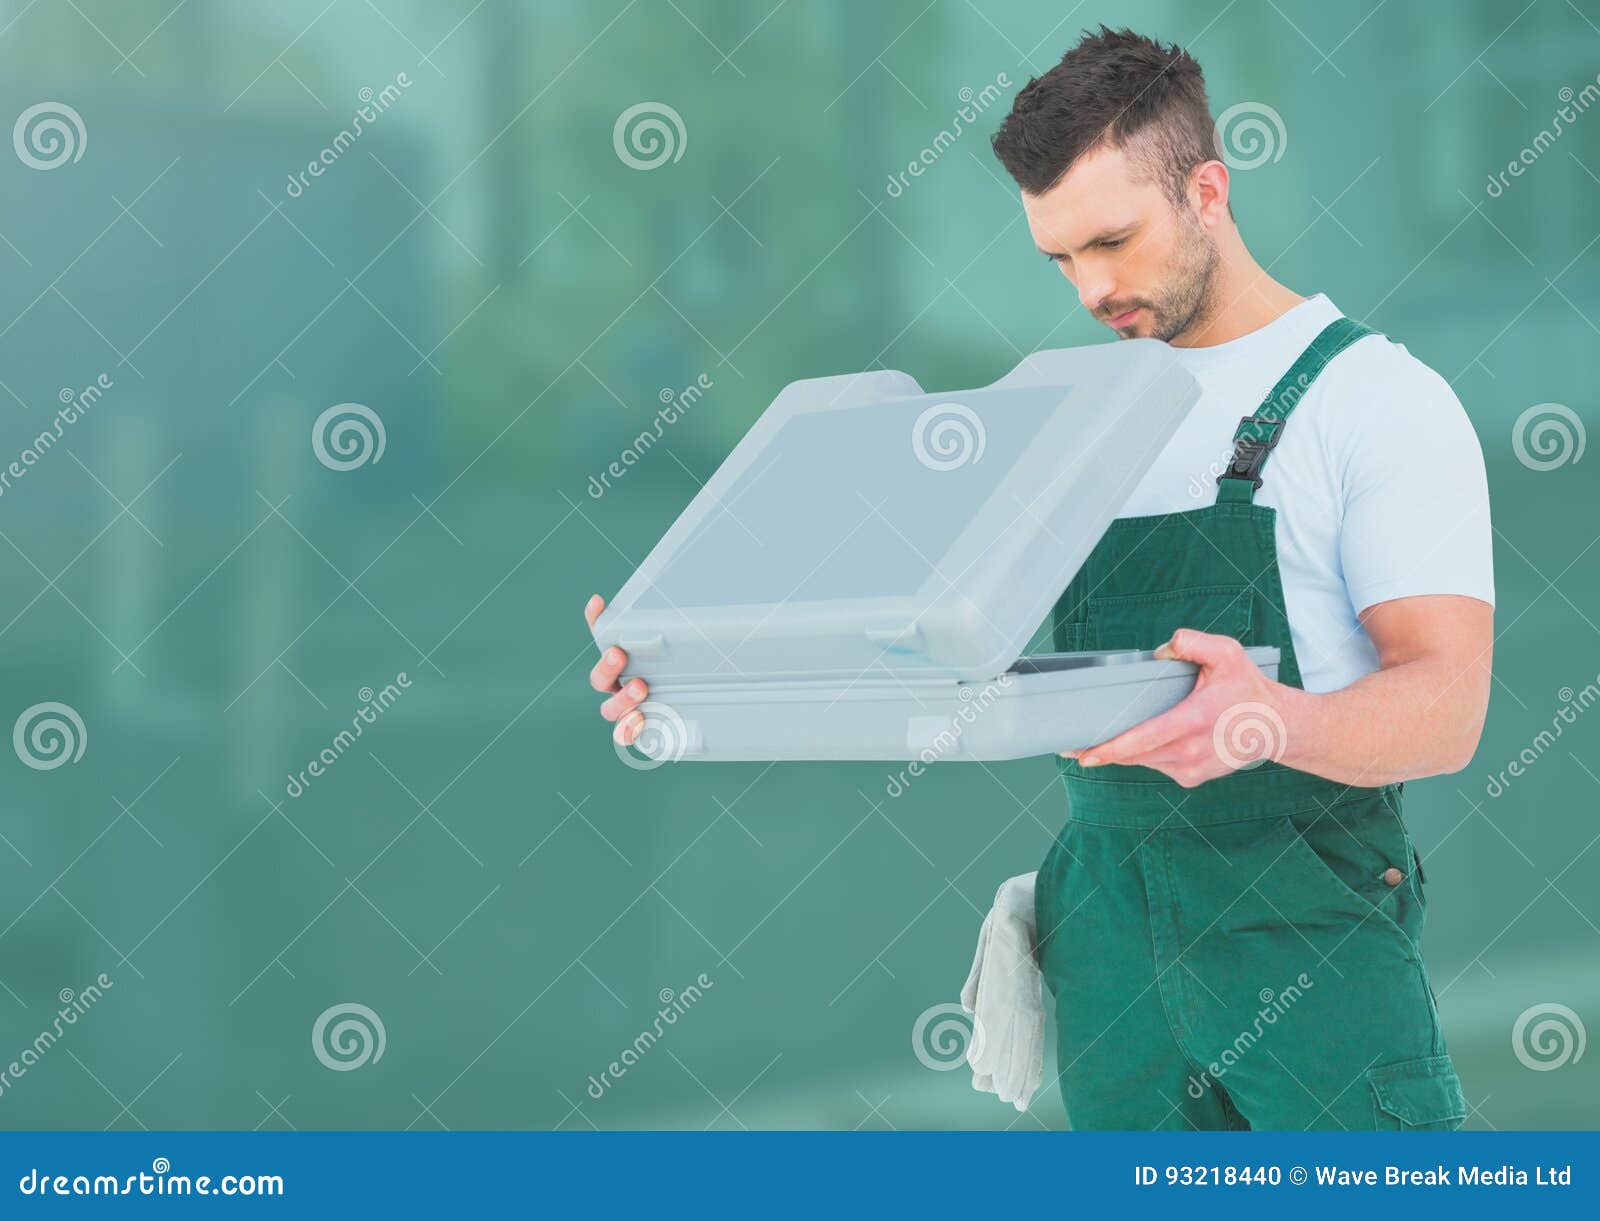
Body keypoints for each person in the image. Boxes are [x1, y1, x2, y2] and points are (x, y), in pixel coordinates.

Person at [588, 25, 1494, 1131]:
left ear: (1207, 191)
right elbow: (885, 632)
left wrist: (1269, 723)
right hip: (1106, 952)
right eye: (1060, 259)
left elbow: (1449, 708)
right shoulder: (1060, 427)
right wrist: (683, 678)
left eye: (1113, 240)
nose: (1091, 287)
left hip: (1304, 934)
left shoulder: (1375, 400)